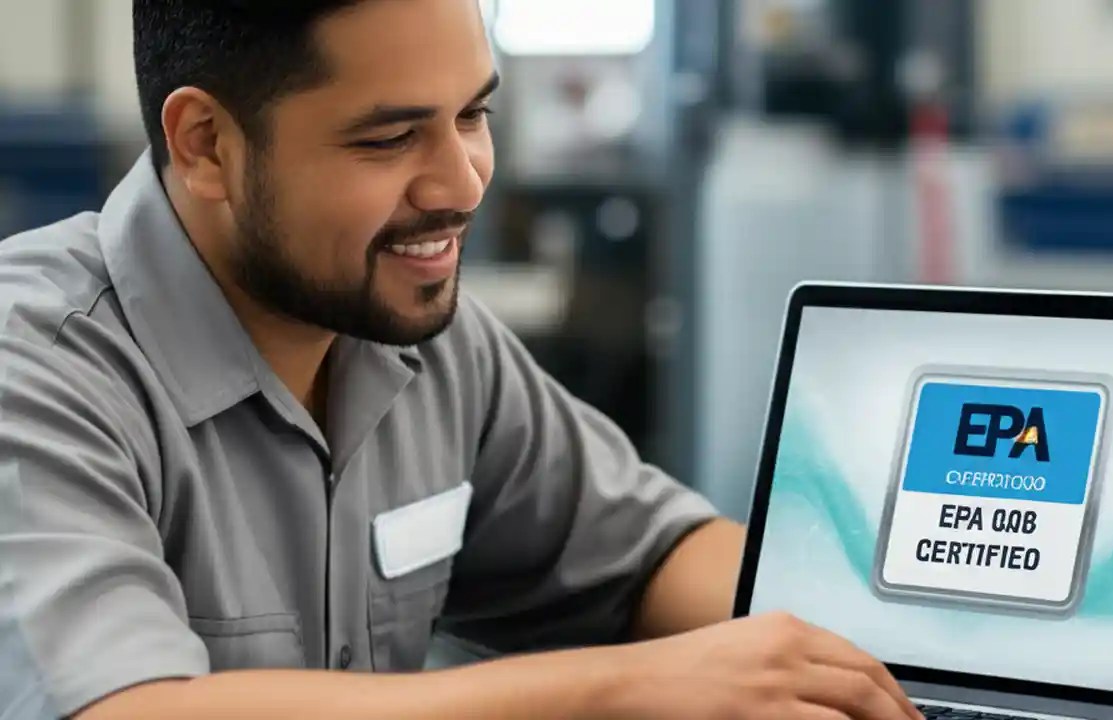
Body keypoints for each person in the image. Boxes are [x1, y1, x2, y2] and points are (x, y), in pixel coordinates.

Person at [0, 1, 921, 719]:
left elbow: (648, 558)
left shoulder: (427, 346)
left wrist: (910, 640)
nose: (463, 181)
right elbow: (120, 706)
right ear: (206, 144)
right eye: (390, 137)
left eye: (473, 114)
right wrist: (622, 692)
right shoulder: (37, 367)